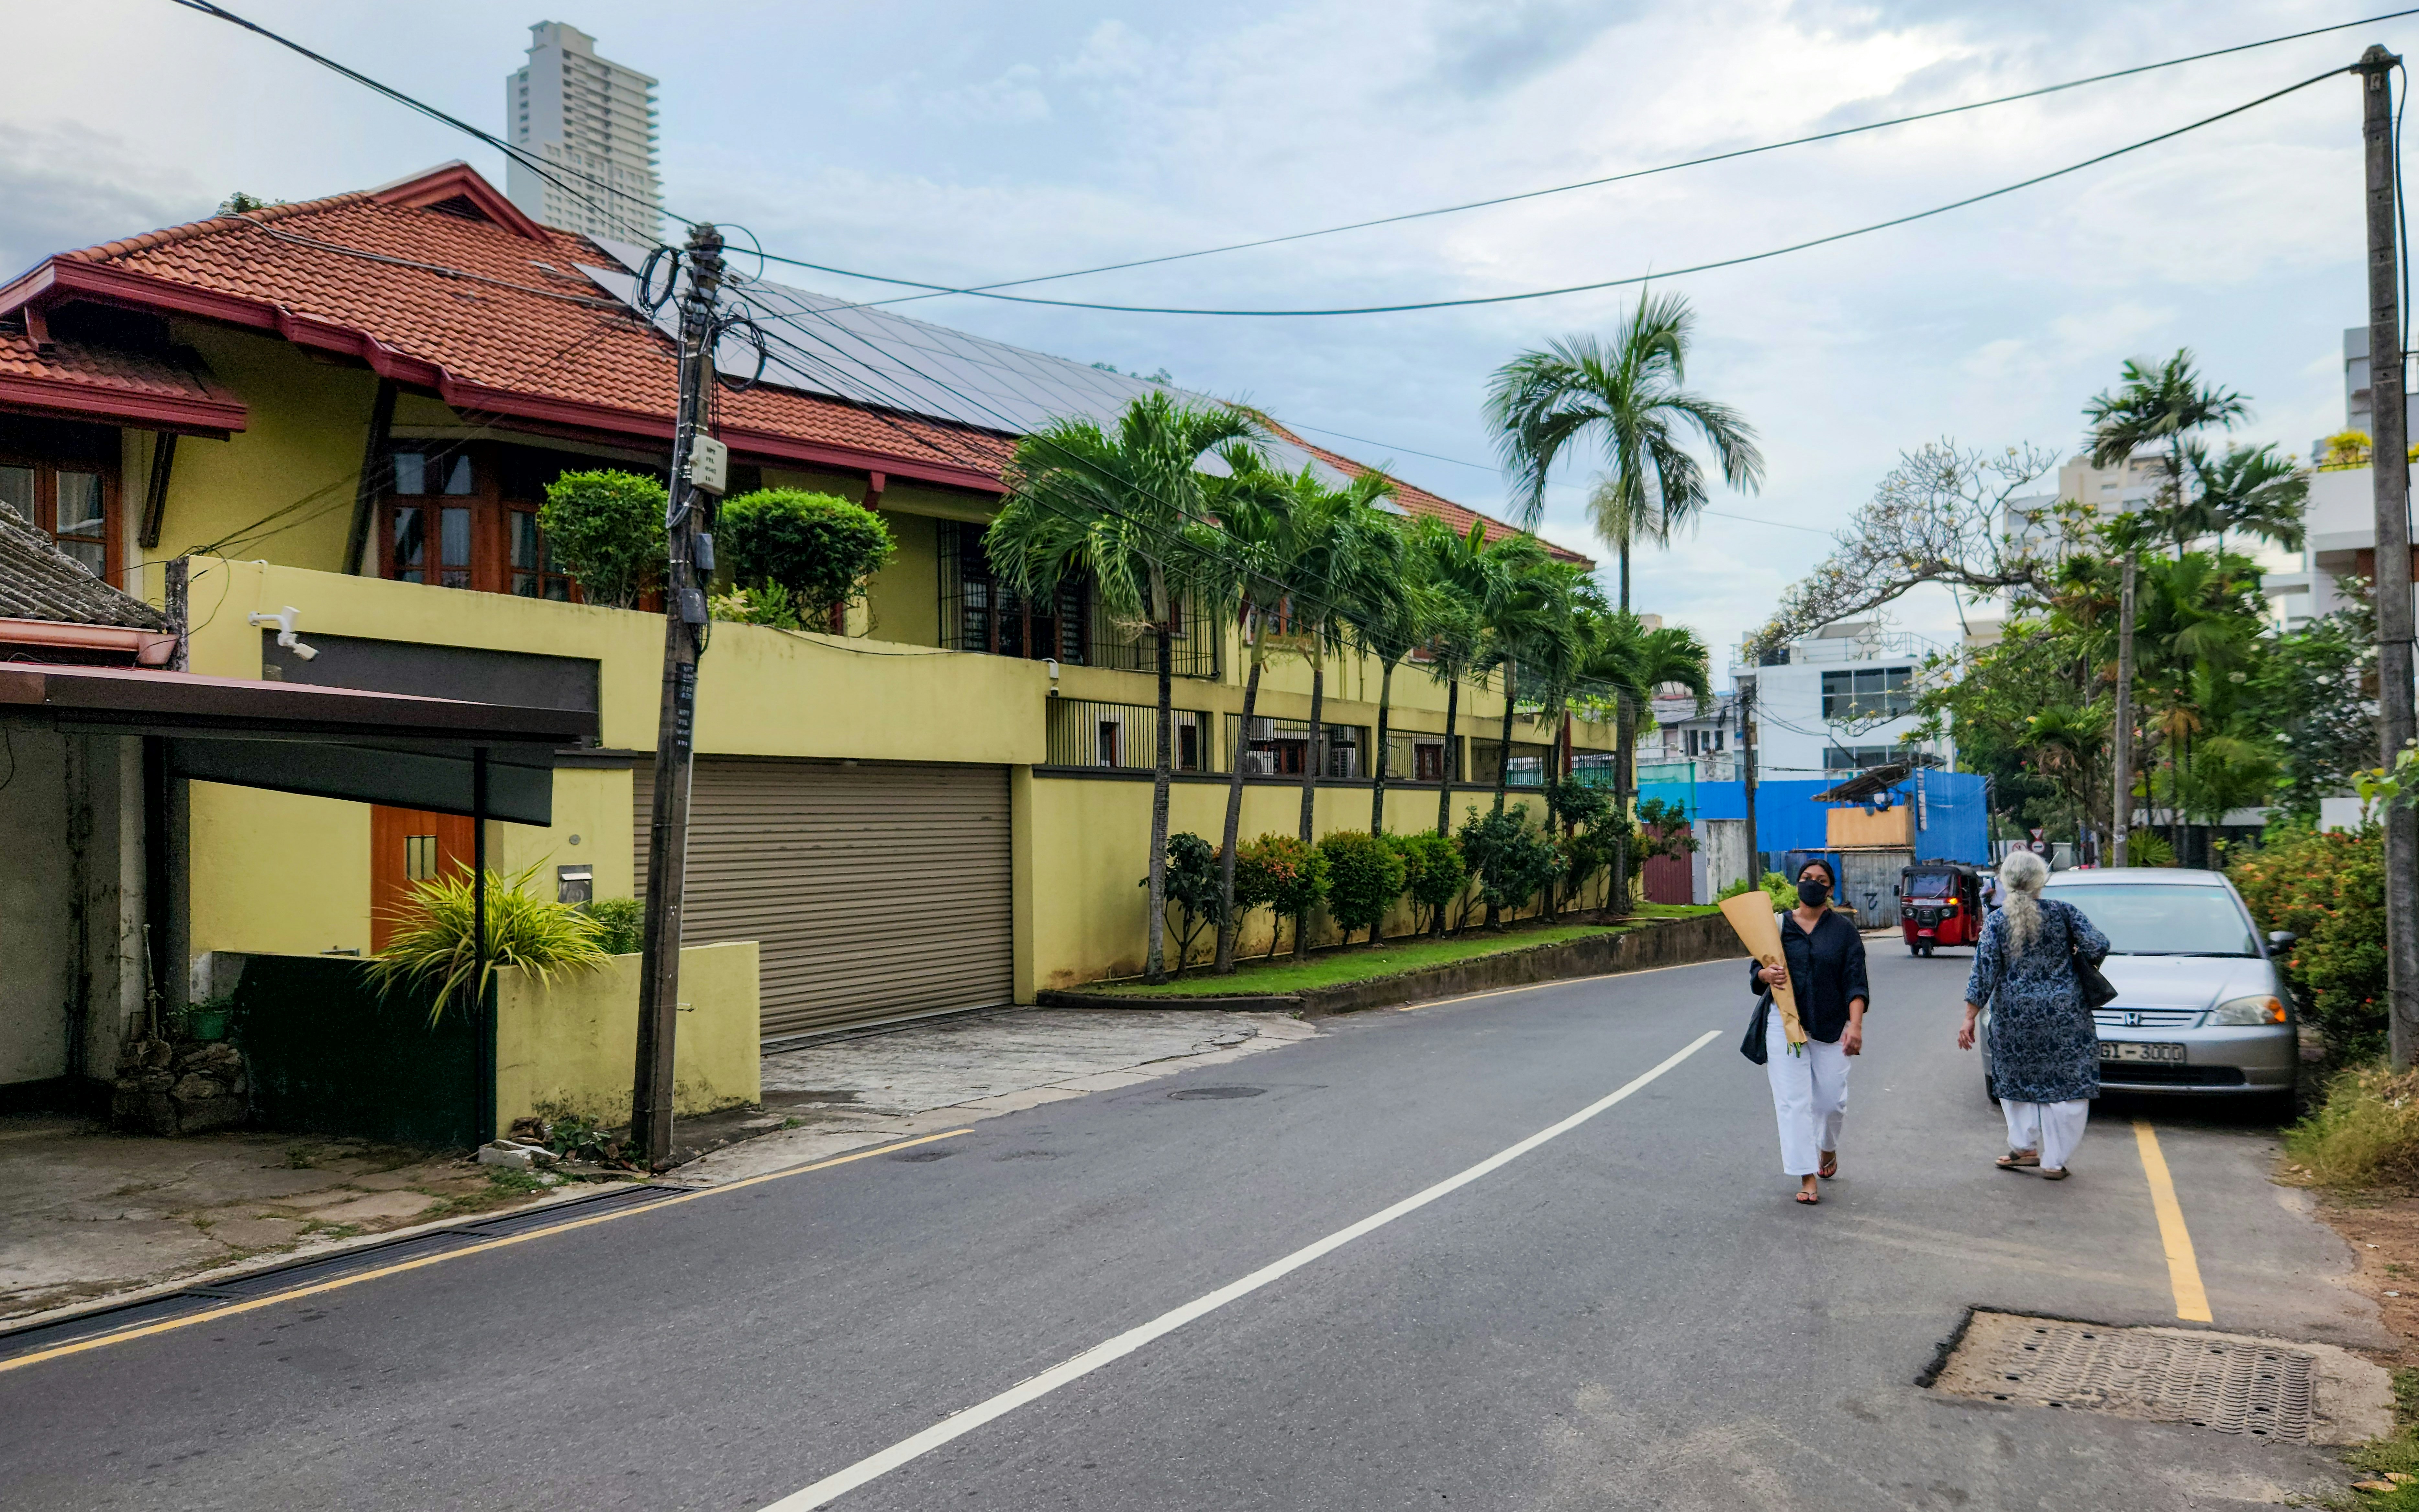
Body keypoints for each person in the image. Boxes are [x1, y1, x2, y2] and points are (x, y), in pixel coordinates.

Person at [1956, 849, 2109, 1180]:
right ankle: (2054, 1161)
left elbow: (1982, 972)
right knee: (2066, 1087)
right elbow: (2098, 945)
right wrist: (2072, 959)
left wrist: (1969, 1017)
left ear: (2006, 882)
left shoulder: (1997, 921)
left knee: (2015, 1083)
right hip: (2064, 1014)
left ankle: (2024, 1148)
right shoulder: (2064, 912)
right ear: (2041, 880)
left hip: (2015, 1016)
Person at [1750, 857, 1869, 1206]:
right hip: (1785, 1024)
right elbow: (1756, 970)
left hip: (1831, 1027)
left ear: (1830, 889)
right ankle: (1806, 1175)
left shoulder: (1843, 931)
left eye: (1820, 880)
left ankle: (1827, 1148)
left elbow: (1855, 982)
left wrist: (1856, 1025)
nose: (1812, 884)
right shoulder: (1776, 925)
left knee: (1831, 1102)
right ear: (1797, 883)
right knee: (1792, 1102)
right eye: (1806, 878)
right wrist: (1764, 976)